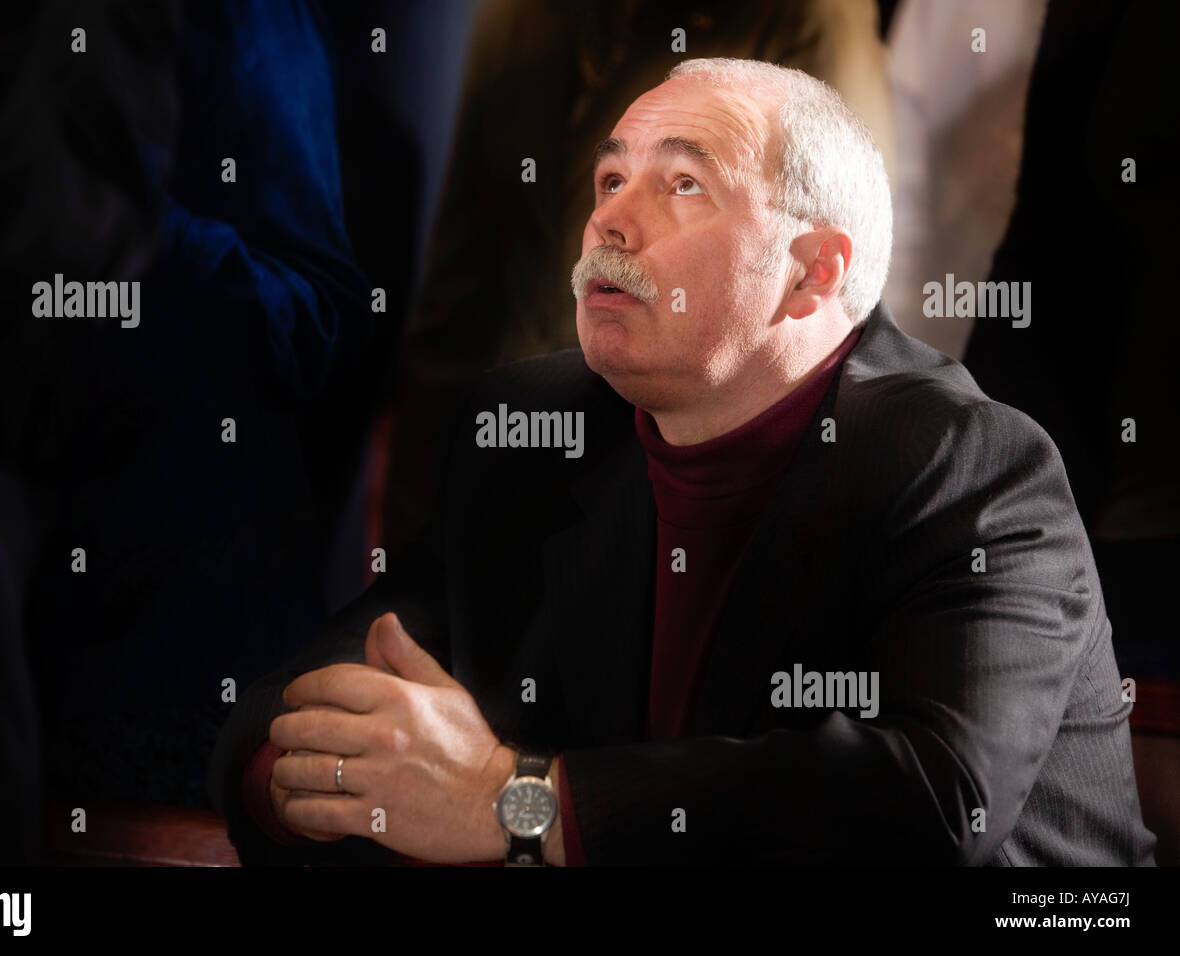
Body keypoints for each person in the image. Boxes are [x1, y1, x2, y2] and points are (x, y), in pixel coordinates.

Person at [211, 58, 1156, 866]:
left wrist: (514, 803)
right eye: (609, 181)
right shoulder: (532, 428)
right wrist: (311, 780)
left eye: (682, 185)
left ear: (812, 272)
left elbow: (934, 804)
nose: (612, 224)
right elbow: (317, 687)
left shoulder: (970, 465)